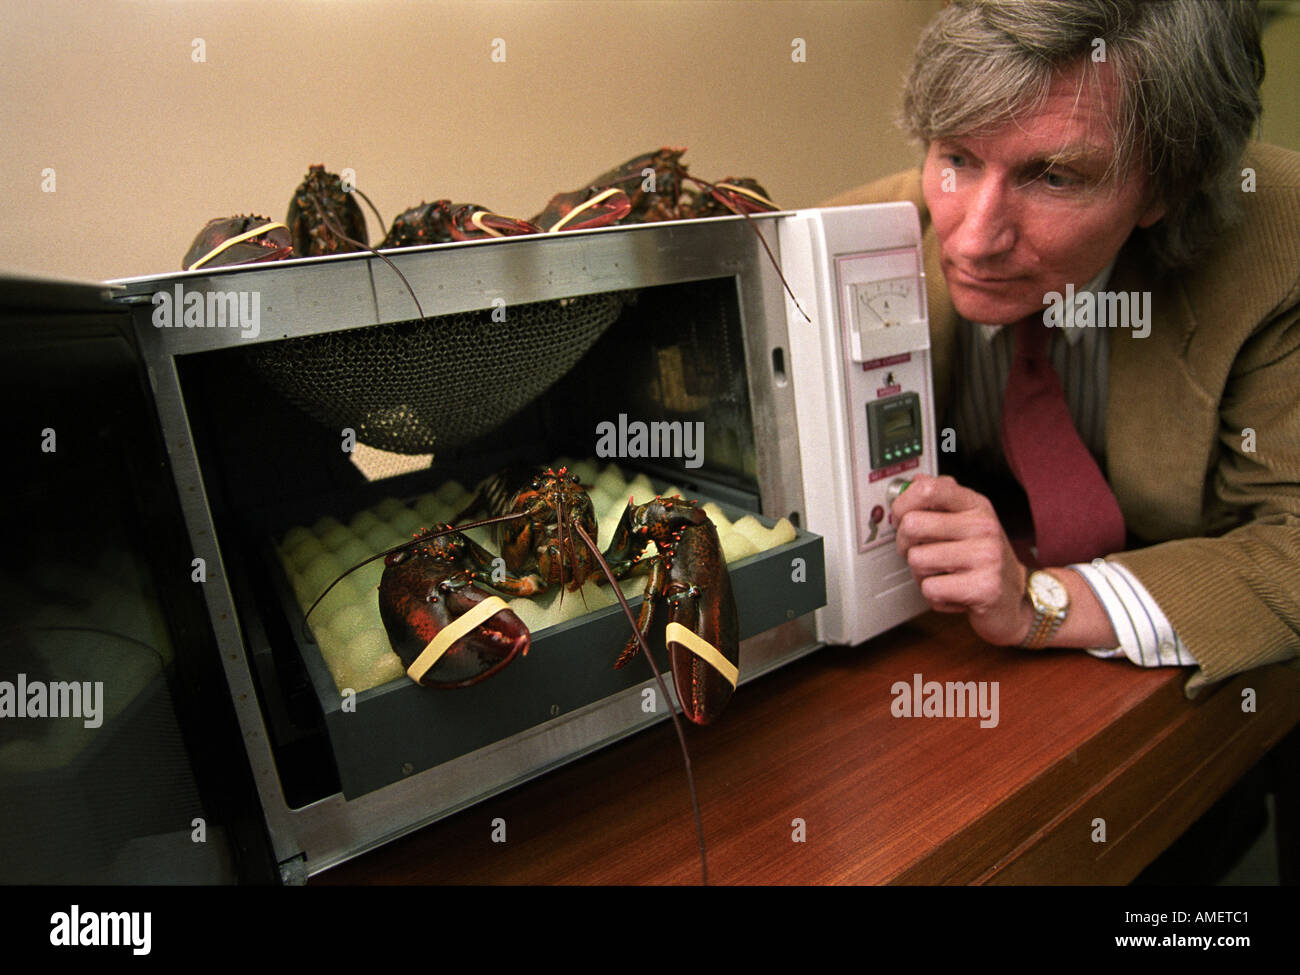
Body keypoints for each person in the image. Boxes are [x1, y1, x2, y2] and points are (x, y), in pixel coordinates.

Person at [827, 0, 1299, 694]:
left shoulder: (1277, 248)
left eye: (1053, 176)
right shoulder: (850, 245)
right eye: (956, 155)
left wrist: (1042, 604)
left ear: (1165, 185)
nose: (973, 239)